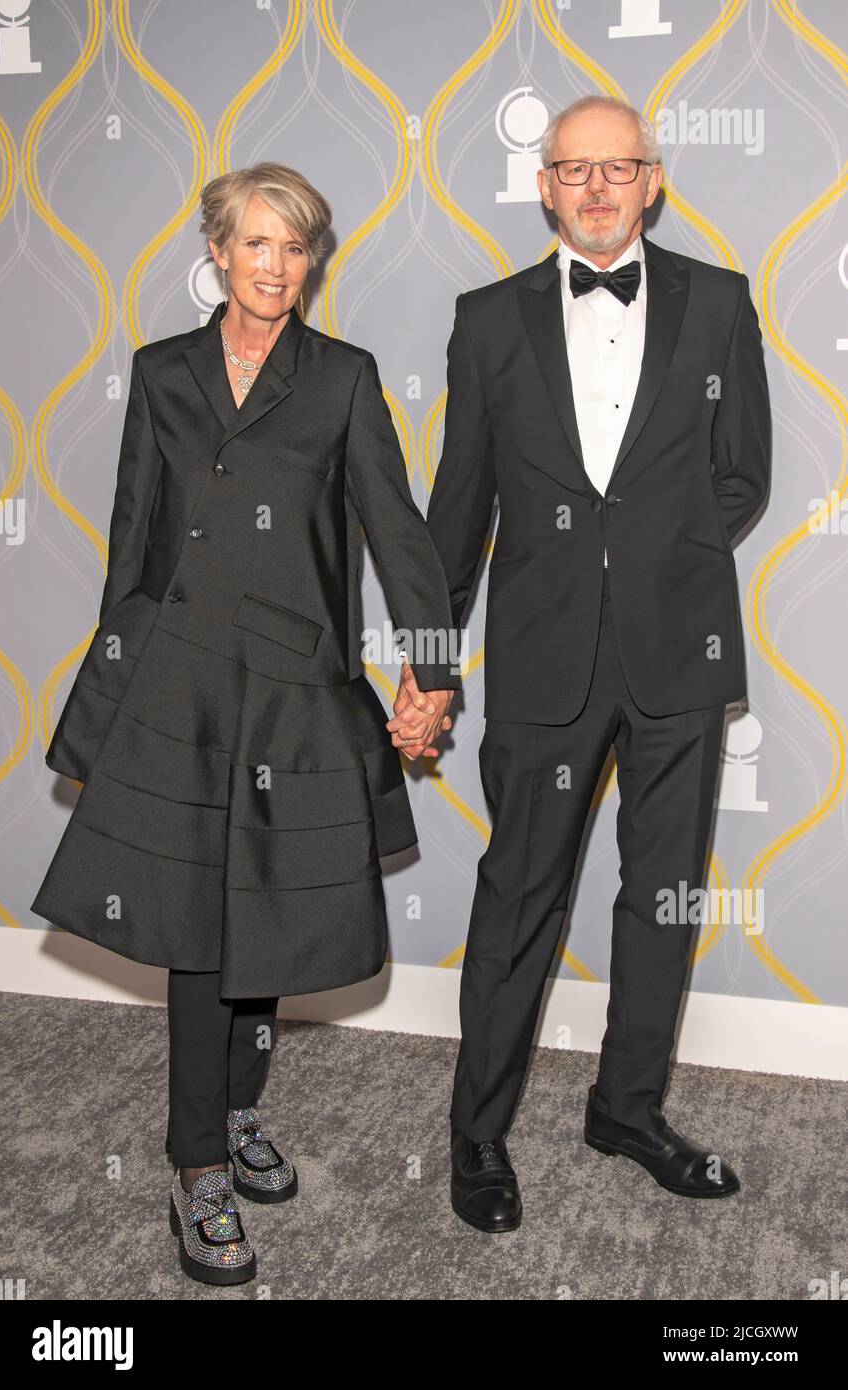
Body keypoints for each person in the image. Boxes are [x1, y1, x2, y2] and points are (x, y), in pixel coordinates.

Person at [32, 162, 458, 1283]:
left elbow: (397, 534)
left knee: (267, 924)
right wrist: (110, 697)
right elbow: (133, 553)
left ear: (312, 260)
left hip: (293, 689)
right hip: (179, 687)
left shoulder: (344, 380)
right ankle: (193, 1164)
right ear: (216, 250)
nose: (276, 266)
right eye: (255, 244)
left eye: (296, 246)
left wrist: (430, 670)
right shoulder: (162, 374)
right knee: (194, 931)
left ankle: (230, 1108)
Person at [416, 95, 771, 1231]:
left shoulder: (718, 304)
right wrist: (429, 664)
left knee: (659, 901)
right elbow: (453, 513)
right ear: (544, 187)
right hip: (538, 655)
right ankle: (475, 1136)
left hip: (678, 653)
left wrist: (647, 561)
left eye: (618, 168)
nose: (597, 188)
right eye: (573, 170)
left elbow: (741, 474)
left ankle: (627, 1110)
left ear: (653, 180)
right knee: (519, 896)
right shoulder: (485, 320)